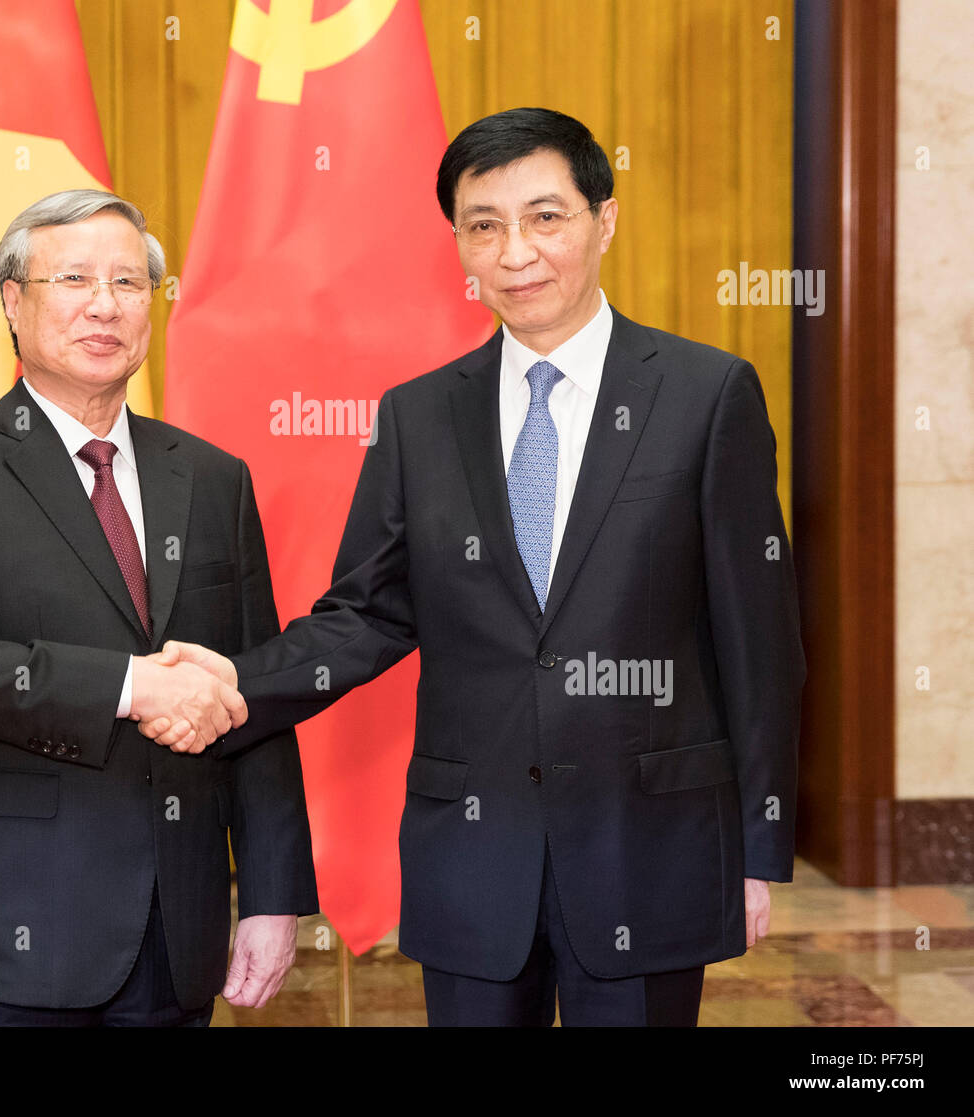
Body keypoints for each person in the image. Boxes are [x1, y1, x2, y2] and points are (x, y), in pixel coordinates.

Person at [142, 107, 806, 1027]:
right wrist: (236, 683)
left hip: (650, 846)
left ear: (603, 220)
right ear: (458, 245)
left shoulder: (705, 394)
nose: (516, 252)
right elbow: (366, 613)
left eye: (546, 216)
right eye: (484, 226)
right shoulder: (419, 417)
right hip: (473, 856)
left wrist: (759, 848)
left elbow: (758, 637)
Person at [0, 189, 316, 1026]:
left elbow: (254, 692)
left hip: (175, 935)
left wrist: (271, 894)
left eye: (129, 282)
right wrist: (133, 686)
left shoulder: (213, 478)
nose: (105, 304)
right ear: (13, 300)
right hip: (4, 931)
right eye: (73, 278)